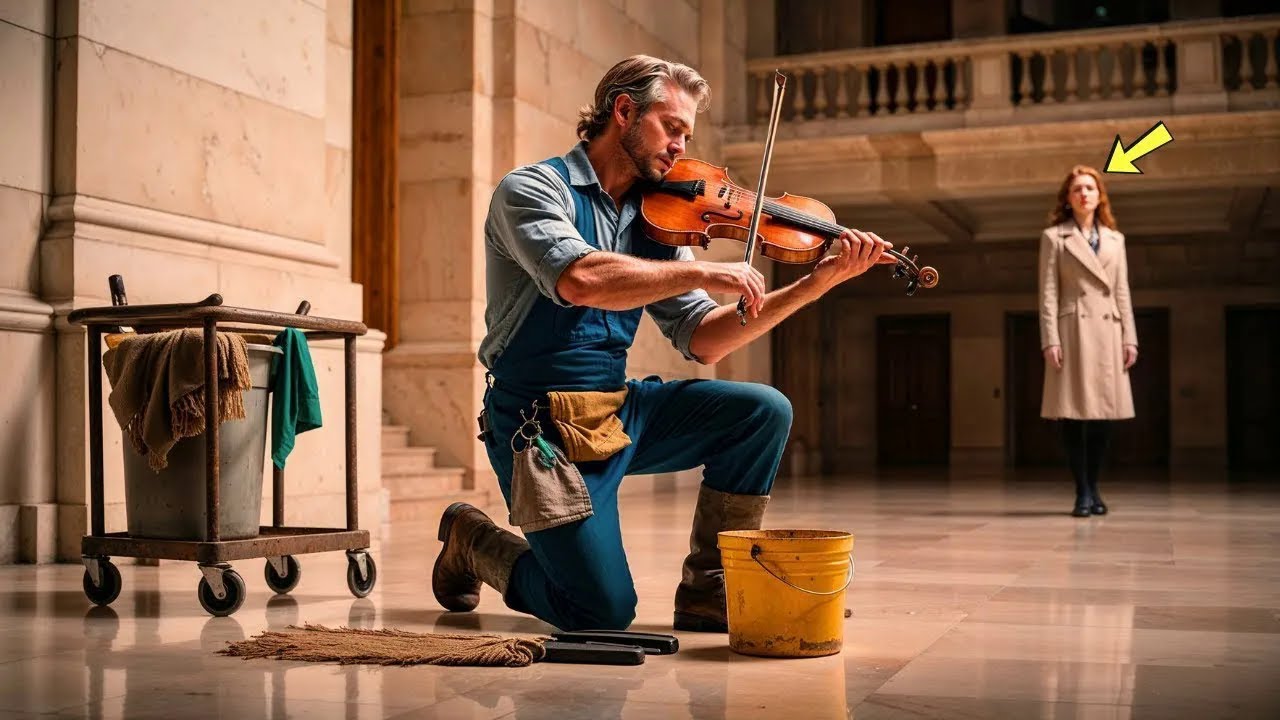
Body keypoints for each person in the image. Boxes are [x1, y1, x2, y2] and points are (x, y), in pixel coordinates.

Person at [430, 55, 893, 632]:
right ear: (624, 112)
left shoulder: (658, 217)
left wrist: (814, 285)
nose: (680, 147)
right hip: (540, 426)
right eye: (671, 127)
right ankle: (473, 541)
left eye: (686, 136)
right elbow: (580, 280)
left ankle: (708, 589)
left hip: (616, 410)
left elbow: (705, 340)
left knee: (762, 411)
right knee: (599, 612)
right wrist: (704, 271)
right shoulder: (531, 190)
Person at [1038, 165, 1138, 518]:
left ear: (1099, 196)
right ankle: (1082, 491)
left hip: (1109, 330)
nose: (1084, 194)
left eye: (1090, 188)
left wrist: (1130, 338)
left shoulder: (1115, 240)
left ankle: (1094, 487)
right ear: (1068, 197)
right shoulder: (1054, 237)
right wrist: (1050, 339)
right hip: (1073, 331)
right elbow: (1048, 292)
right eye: (1077, 188)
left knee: (1103, 415)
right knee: (1074, 414)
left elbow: (1122, 291)